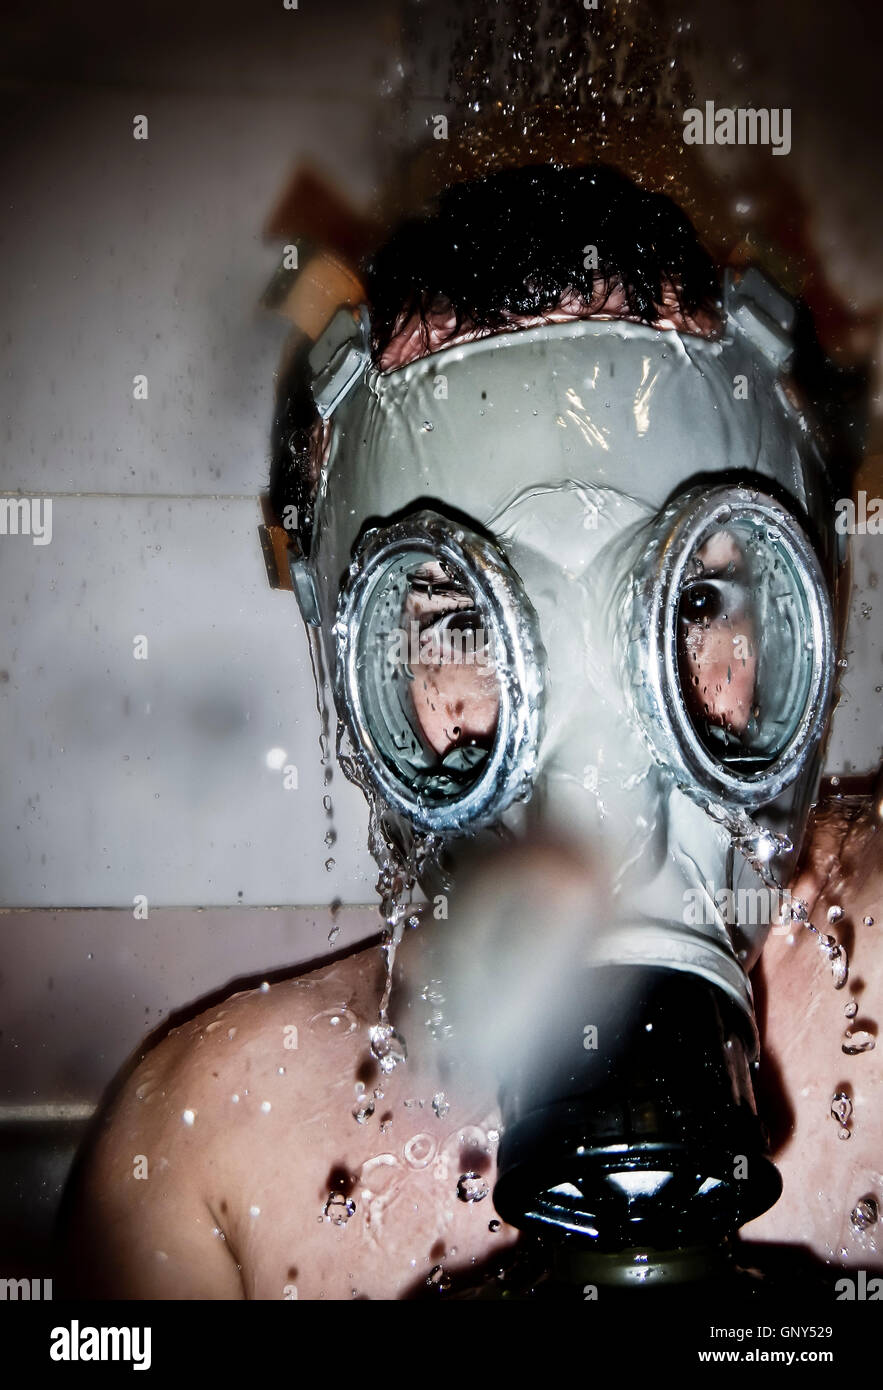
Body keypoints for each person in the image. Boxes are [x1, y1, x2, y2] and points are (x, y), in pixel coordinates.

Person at [60, 165, 882, 1299]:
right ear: (356, 668)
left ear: (801, 617)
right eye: (465, 622)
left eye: (694, 600)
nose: (600, 799)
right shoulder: (205, 1181)